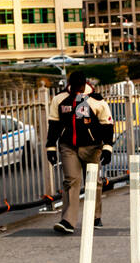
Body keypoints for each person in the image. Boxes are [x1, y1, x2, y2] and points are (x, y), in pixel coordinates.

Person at [46, 69, 114, 234]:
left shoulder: (96, 101)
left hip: (92, 146)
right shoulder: (60, 99)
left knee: (93, 183)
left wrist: (107, 147)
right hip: (68, 146)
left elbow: (107, 125)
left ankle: (95, 217)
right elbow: (54, 124)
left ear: (85, 84)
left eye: (79, 86)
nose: (77, 89)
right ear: (70, 85)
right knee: (71, 180)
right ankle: (68, 221)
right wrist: (51, 147)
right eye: (74, 86)